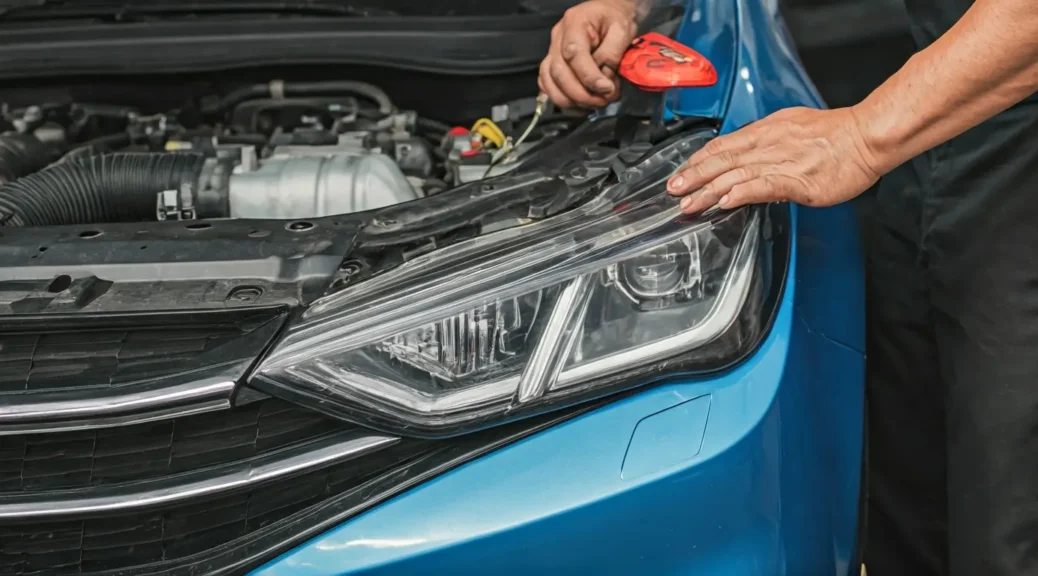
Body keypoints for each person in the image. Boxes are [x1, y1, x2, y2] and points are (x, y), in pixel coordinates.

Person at [541, 1, 1038, 575]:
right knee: (906, 512)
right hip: (939, 113)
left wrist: (860, 137)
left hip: (1000, 127)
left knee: (1009, 523)